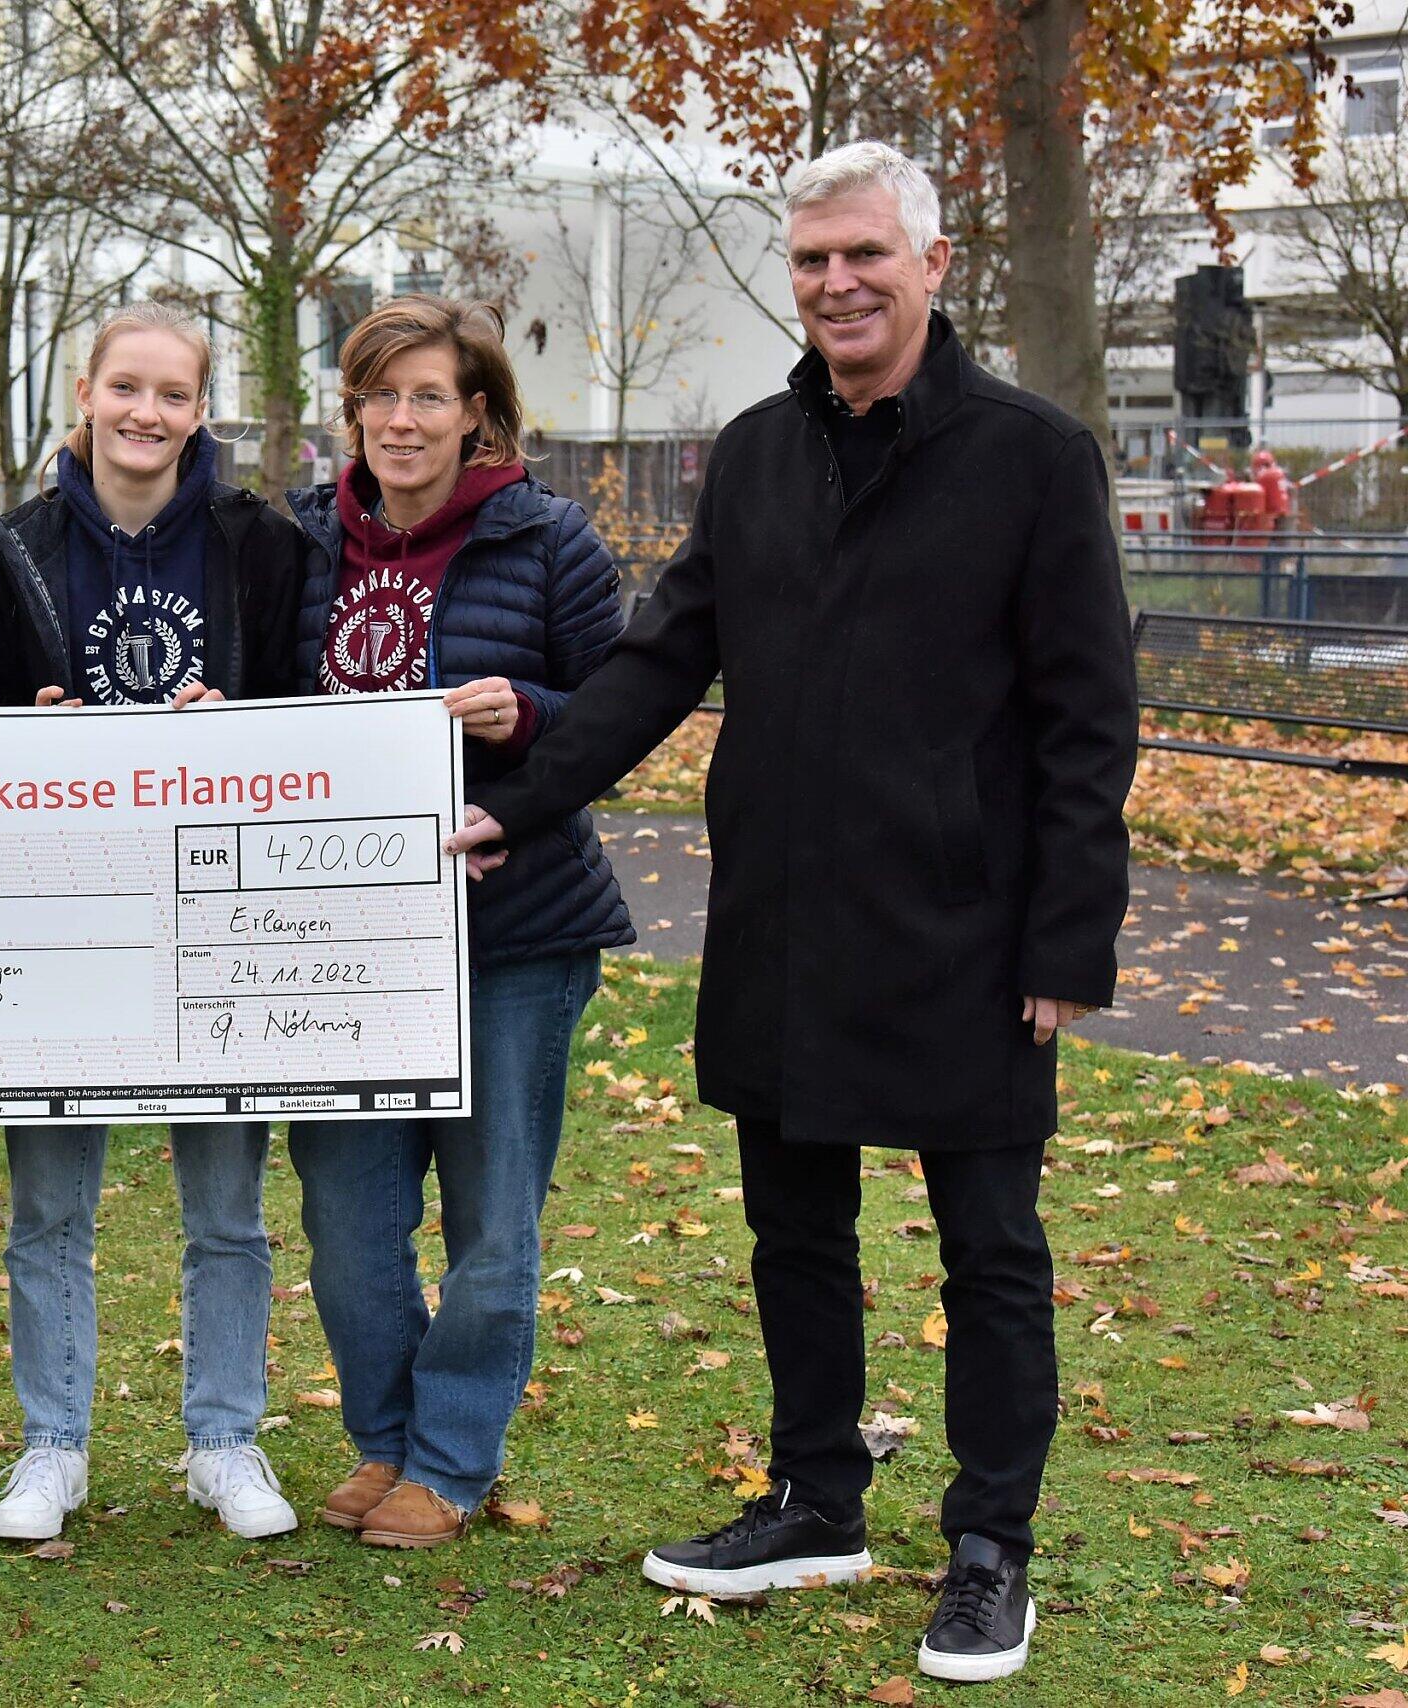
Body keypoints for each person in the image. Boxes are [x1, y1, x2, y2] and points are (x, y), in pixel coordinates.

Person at [446, 141, 1137, 1684]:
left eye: (864, 257)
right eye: (814, 259)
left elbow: (1092, 717)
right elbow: (659, 656)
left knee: (989, 1251)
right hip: (783, 915)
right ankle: (819, 1496)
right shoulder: (755, 449)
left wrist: (1067, 943)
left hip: (968, 926)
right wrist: (523, 797)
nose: (836, 284)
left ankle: (989, 1547)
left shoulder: (1034, 455)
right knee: (792, 1232)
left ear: (933, 264)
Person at [287, 295, 634, 1550]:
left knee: (492, 1217)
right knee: (346, 1214)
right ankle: (384, 1441)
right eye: (379, 395)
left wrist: (528, 717)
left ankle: (451, 1456)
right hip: (341, 937)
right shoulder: (303, 542)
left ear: (476, 410)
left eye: (428, 394)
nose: (400, 419)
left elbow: (618, 717)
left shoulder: (549, 542)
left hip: (513, 931)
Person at [0, 301, 308, 1542]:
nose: (146, 413)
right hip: (64, 911)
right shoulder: (10, 547)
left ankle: (224, 1437)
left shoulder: (261, 543)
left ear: (200, 410)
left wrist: (242, 727)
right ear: (85, 391)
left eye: (173, 393)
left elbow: (305, 710)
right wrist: (32, 741)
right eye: (126, 387)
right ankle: (51, 1442)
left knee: (226, 1202)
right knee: (49, 1202)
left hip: (216, 910)